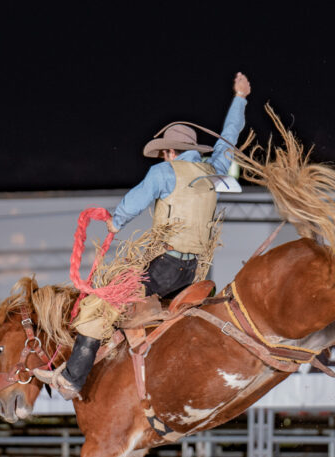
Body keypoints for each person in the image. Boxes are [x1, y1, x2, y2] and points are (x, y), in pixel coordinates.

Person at [34, 72, 251, 400]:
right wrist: (240, 98)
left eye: (165, 152)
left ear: (171, 152)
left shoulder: (165, 172)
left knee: (99, 304)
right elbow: (229, 137)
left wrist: (115, 223)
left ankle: (74, 378)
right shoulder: (213, 169)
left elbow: (136, 199)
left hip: (164, 267)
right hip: (193, 271)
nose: (164, 157)